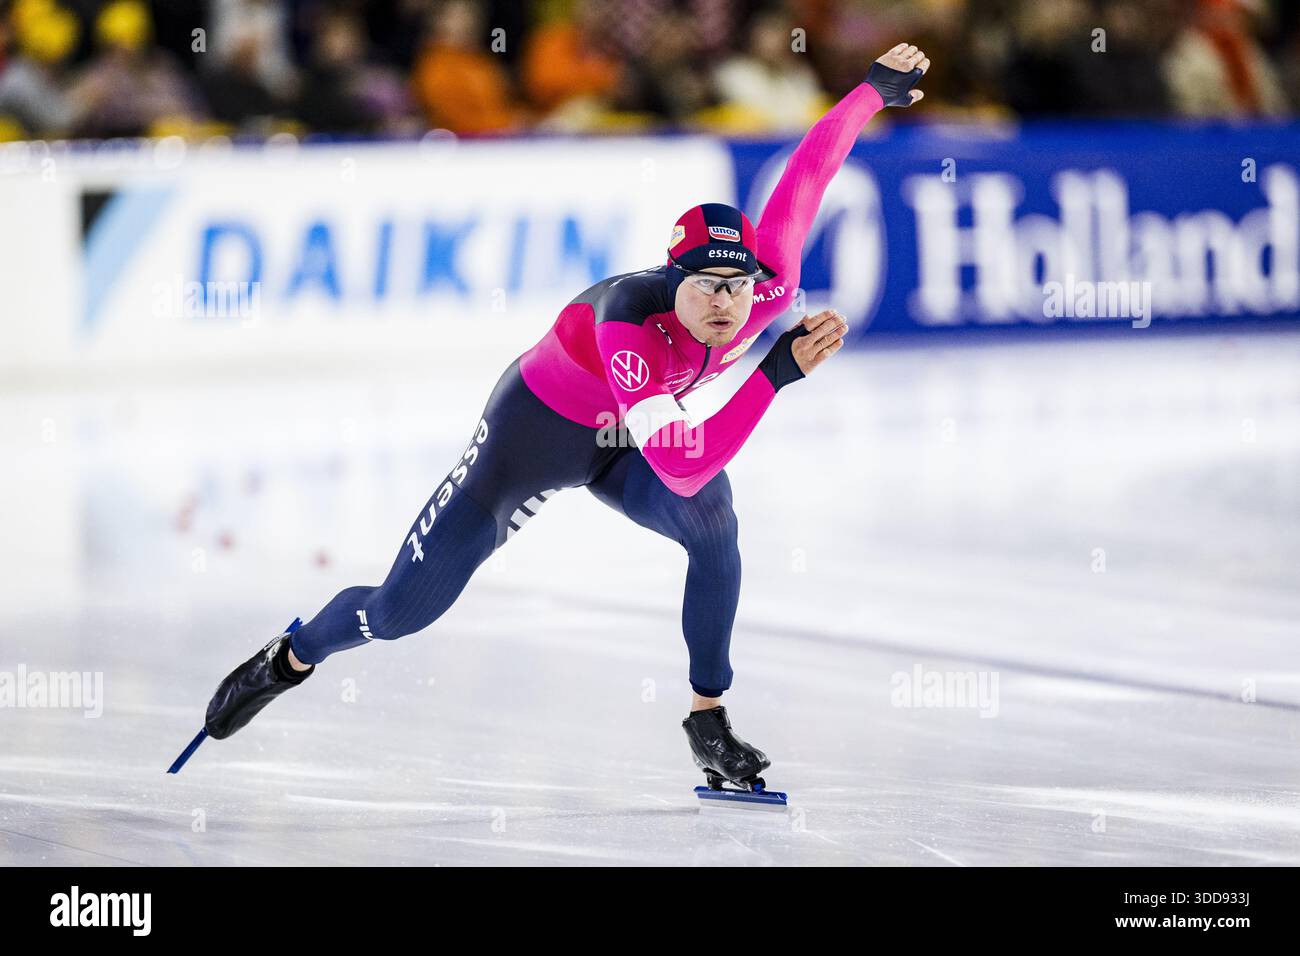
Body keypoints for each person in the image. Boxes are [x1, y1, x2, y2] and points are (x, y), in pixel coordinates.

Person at [200, 42, 930, 791]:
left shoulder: (767, 289)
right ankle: (287, 658)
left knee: (715, 527)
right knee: (398, 613)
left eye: (737, 287)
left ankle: (707, 718)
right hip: (529, 443)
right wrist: (775, 374)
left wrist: (870, 93)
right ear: (672, 279)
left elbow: (809, 174)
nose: (724, 304)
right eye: (706, 286)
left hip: (622, 444)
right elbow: (683, 459)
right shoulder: (625, 326)